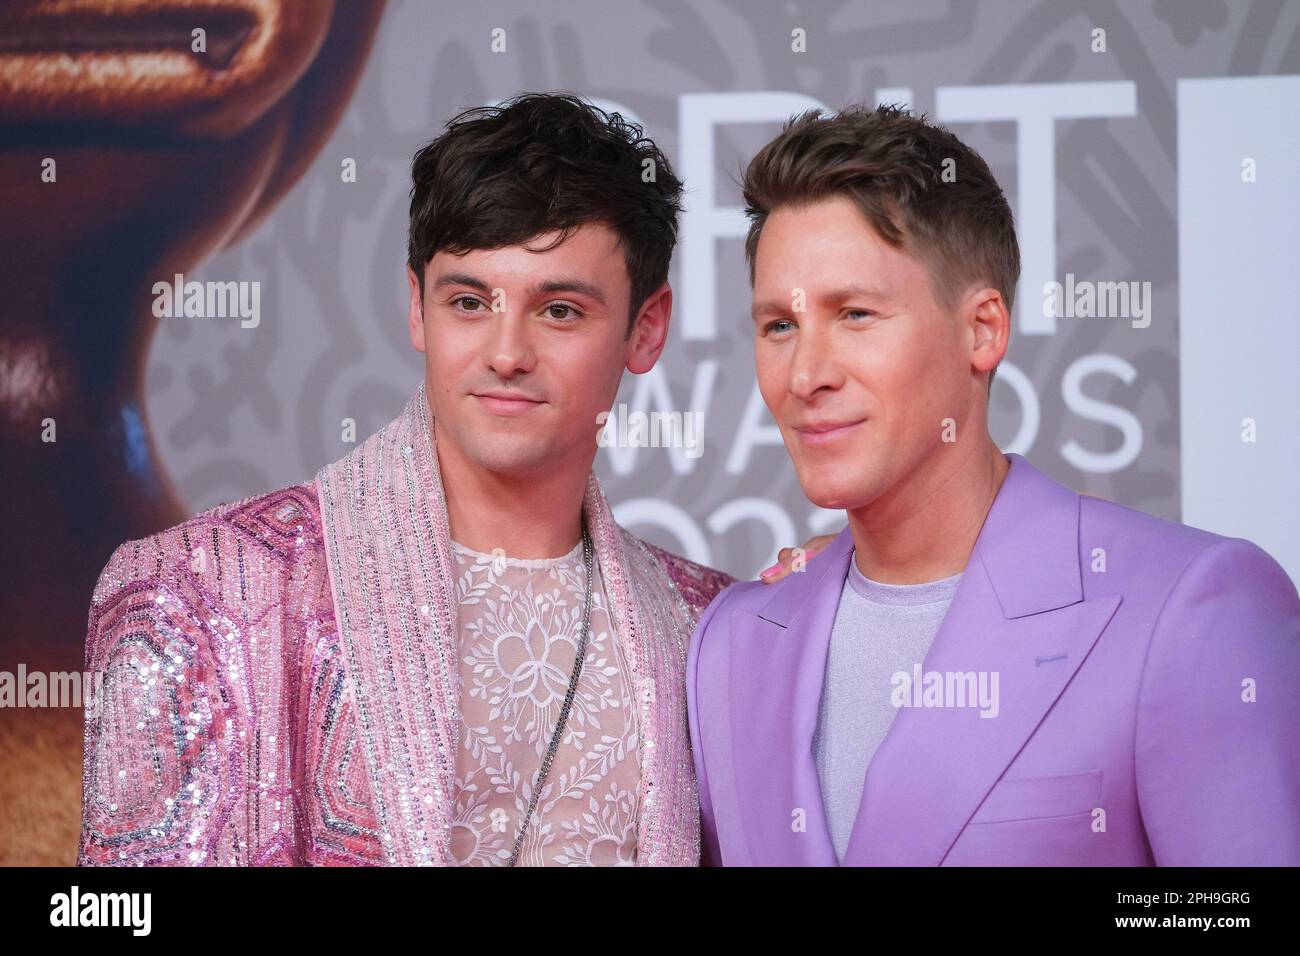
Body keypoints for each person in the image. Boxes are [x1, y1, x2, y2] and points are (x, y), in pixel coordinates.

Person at [77, 92, 735, 867]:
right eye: (468, 301)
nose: (505, 352)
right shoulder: (199, 589)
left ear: (646, 328)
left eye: (559, 310)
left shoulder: (710, 631)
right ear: (417, 309)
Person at [687, 103, 1300, 866]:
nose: (806, 375)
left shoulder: (1190, 607)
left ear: (983, 329)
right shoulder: (730, 645)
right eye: (780, 325)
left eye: (856, 314)